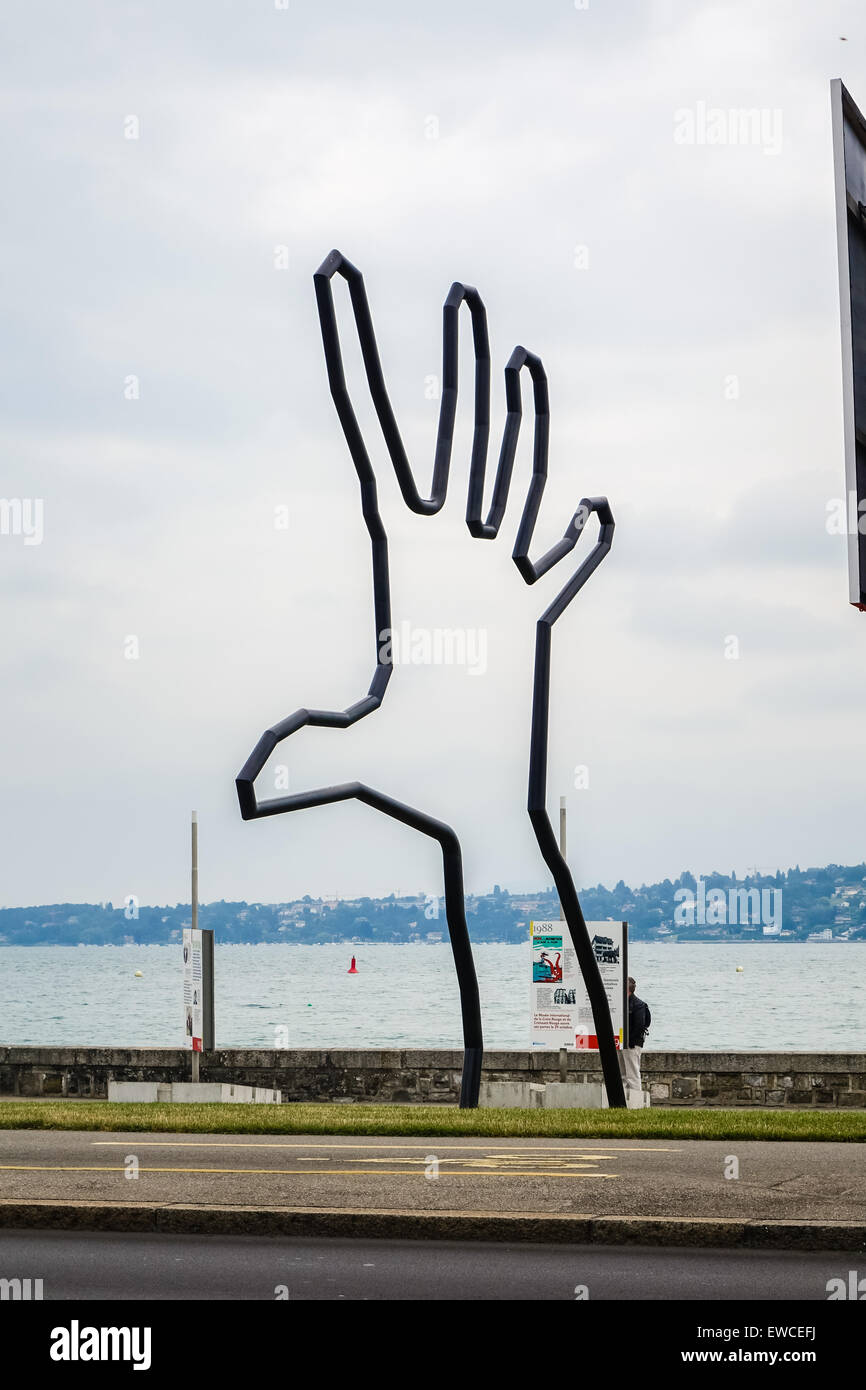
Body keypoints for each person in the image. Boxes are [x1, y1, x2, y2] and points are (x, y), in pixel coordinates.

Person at [619, 976, 651, 1102]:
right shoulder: (630, 1003)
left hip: (632, 1044)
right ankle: (624, 1100)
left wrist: (630, 1041)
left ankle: (636, 1100)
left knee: (632, 1074)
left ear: (627, 990)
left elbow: (639, 1026)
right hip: (623, 1042)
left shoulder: (638, 1005)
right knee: (623, 1074)